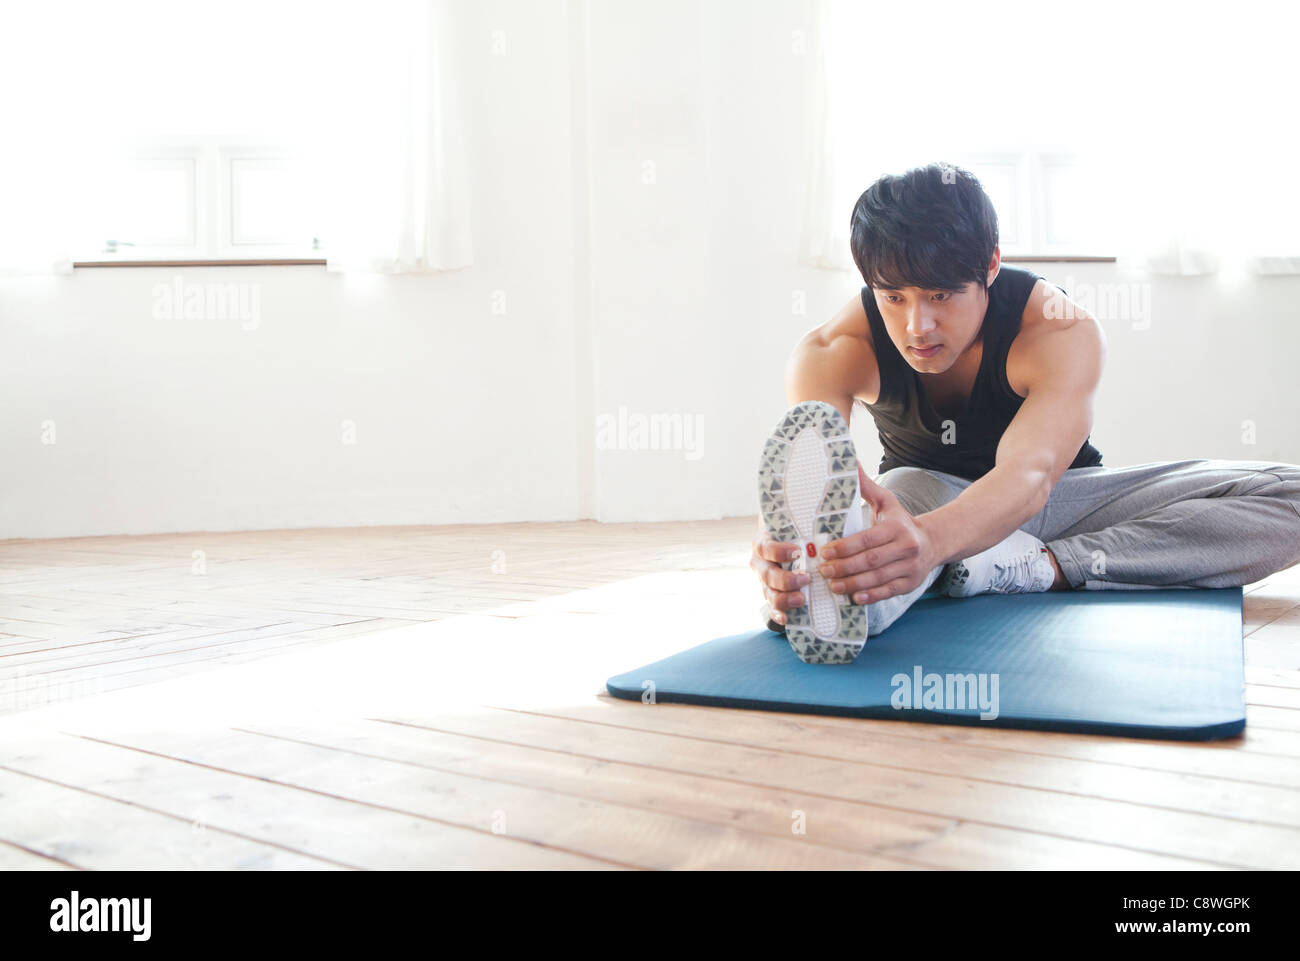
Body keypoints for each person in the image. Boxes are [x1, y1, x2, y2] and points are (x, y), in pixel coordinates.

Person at [752, 162, 1300, 662]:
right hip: (923, 493)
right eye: (893, 296)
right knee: (873, 540)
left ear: (990, 265)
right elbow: (811, 480)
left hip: (1065, 500)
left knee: (1291, 495)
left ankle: (1038, 567)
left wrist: (936, 543)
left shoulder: (1059, 329)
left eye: (941, 296)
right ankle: (844, 598)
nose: (917, 325)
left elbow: (1030, 475)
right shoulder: (832, 350)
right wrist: (787, 560)